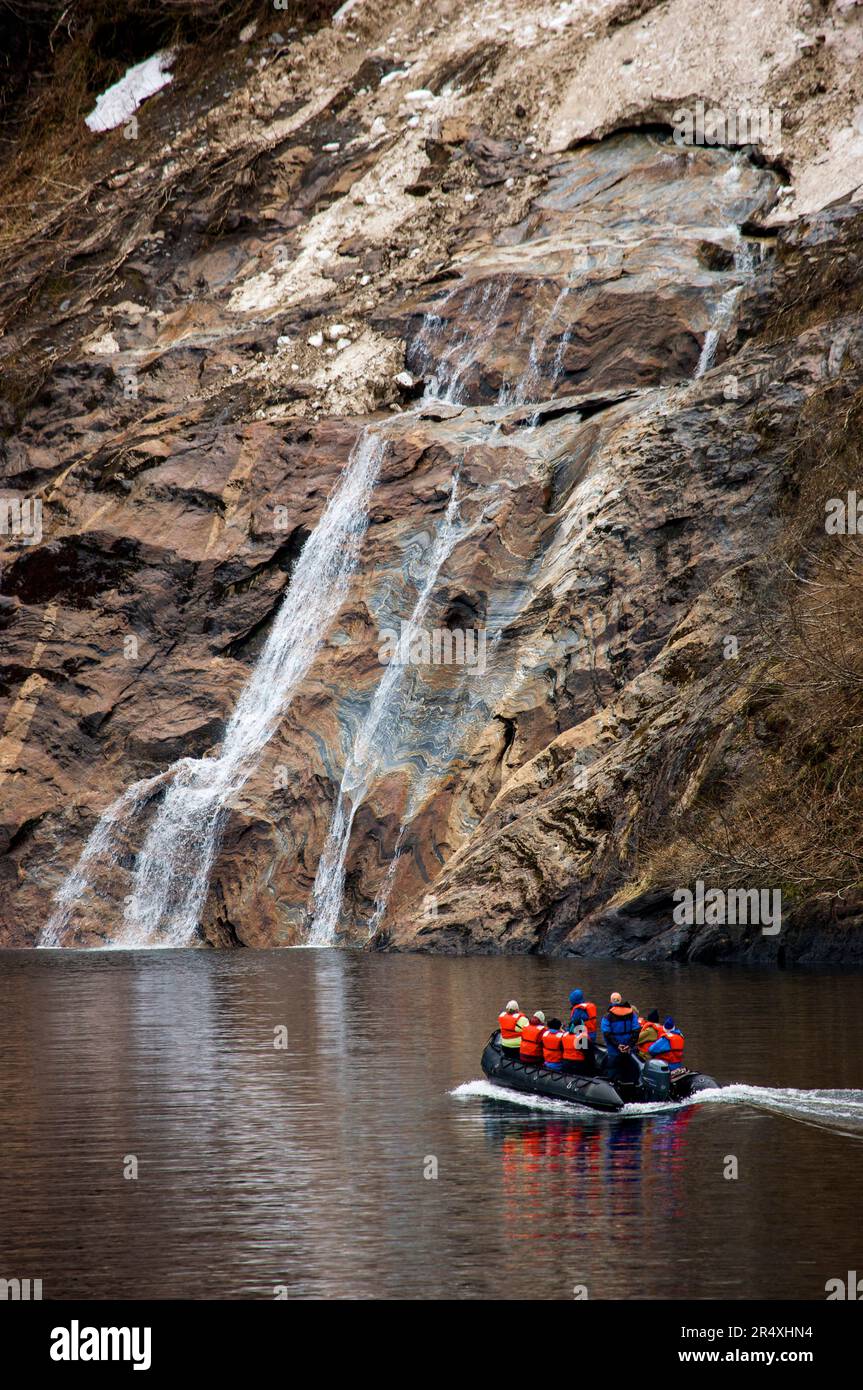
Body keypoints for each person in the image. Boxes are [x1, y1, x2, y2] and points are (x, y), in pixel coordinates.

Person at [601, 991, 641, 1084]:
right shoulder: (632, 1014)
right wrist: (629, 1045)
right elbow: (636, 1030)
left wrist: (618, 1045)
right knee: (627, 1071)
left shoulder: (607, 1017)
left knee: (613, 1071)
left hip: (614, 1051)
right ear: (620, 1000)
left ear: (611, 1001)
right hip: (627, 1050)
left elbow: (607, 1034)